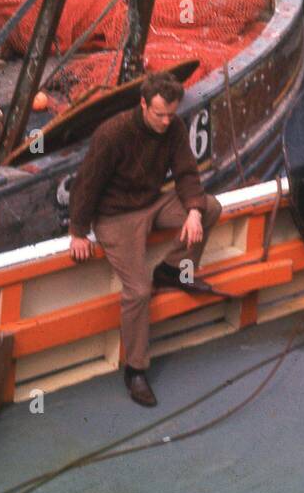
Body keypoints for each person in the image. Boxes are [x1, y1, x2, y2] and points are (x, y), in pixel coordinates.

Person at [68, 72, 223, 406]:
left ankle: (172, 270)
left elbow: (186, 174)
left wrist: (193, 211)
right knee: (138, 290)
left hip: (152, 204)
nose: (166, 121)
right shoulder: (113, 134)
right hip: (115, 216)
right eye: (159, 114)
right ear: (143, 104)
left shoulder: (174, 128)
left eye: (171, 113)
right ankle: (135, 370)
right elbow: (86, 184)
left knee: (210, 207)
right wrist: (78, 232)